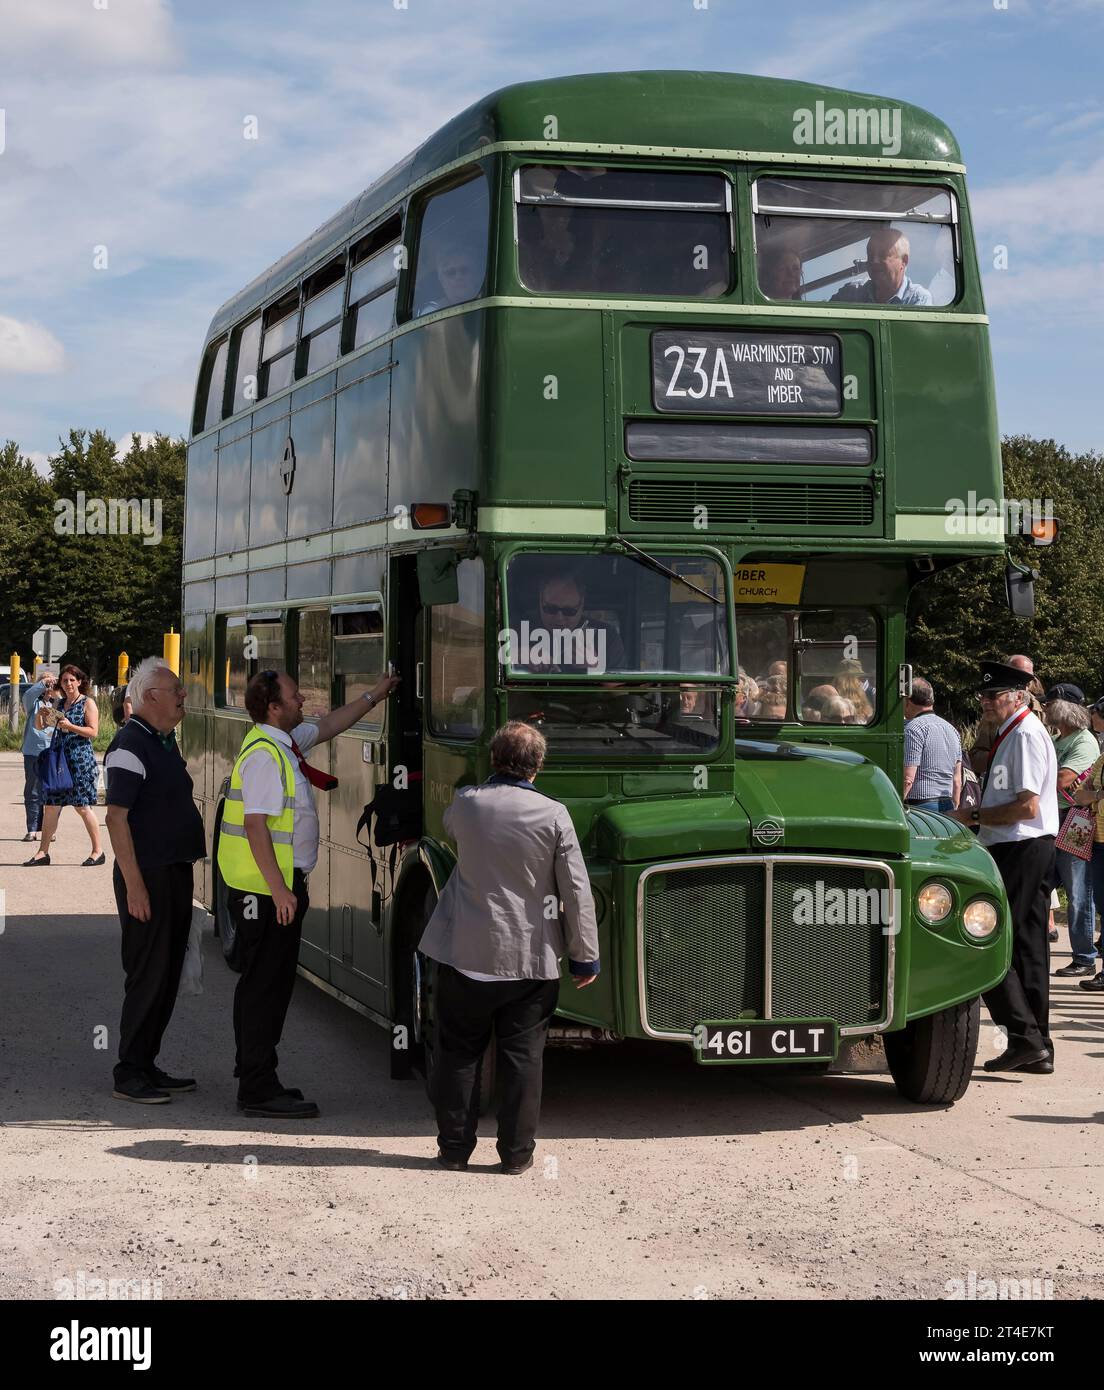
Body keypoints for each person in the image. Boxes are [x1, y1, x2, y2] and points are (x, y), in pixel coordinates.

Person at [217, 666, 399, 1118]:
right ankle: (256, 1088)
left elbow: (333, 722)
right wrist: (281, 891)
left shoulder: (285, 743)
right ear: (274, 707)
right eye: (295, 697)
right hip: (266, 892)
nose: (305, 702)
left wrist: (375, 694)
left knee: (269, 985)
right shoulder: (264, 755)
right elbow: (255, 825)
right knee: (265, 987)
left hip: (273, 888)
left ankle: (259, 1076)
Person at [419, 721, 599, 1174]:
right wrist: (584, 954)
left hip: (466, 955)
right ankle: (516, 1156)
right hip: (529, 959)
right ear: (537, 767)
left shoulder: (466, 804)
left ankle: (454, 1150)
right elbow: (575, 890)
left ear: (494, 759)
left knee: (458, 1053)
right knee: (524, 1060)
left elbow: (450, 830)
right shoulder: (554, 815)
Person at [103, 659, 206, 1104]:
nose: (183, 697)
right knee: (148, 974)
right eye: (176, 691)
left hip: (173, 871)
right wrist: (136, 886)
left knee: (167, 974)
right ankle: (129, 1071)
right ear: (150, 698)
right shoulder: (129, 745)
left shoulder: (162, 741)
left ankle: (147, 1063)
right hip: (147, 876)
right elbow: (116, 819)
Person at [951, 660, 1057, 1073]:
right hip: (1022, 845)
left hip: (1019, 845)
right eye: (984, 695)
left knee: (990, 940)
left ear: (1017, 696)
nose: (985, 701)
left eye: (993, 695)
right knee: (1028, 946)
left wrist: (973, 818)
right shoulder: (1013, 732)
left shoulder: (1025, 735)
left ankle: (1026, 1037)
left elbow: (1025, 807)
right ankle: (1035, 1042)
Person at [23, 663, 103, 867]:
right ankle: (43, 852)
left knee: (82, 806)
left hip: (80, 760)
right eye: (65, 680)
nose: (68, 684)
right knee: (50, 806)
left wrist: (71, 726)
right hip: (59, 761)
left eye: (71, 680)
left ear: (80, 682)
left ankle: (97, 851)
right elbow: (41, 727)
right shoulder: (59, 705)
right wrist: (40, 717)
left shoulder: (87, 703)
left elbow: (93, 732)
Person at [1042, 692, 1098, 977]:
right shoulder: (1058, 739)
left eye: (1050, 703)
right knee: (1042, 887)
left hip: (1075, 819)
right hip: (1055, 818)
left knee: (1078, 892)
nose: (1045, 708)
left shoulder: (1083, 741)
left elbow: (1062, 779)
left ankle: (1085, 957)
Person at [521, 570, 626, 675]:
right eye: (550, 608)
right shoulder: (518, 630)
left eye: (569, 611)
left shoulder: (606, 637)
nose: (559, 618)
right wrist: (518, 654)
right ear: (540, 600)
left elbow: (620, 689)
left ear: (581, 605)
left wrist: (596, 668)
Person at [902, 677, 962, 813]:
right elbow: (957, 780)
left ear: (907, 701)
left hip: (921, 807)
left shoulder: (913, 729)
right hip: (948, 805)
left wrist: (895, 806)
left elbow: (907, 779)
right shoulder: (952, 730)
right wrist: (955, 808)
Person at [831, 226, 934, 306]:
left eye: (883, 255)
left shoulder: (918, 299)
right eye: (871, 255)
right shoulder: (851, 293)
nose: (874, 261)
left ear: (904, 261)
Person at [20, 670, 57, 842]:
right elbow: (28, 694)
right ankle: (32, 829)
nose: (48, 687)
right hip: (32, 752)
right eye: (45, 684)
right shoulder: (32, 704)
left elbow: (58, 722)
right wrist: (43, 683)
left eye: (51, 683)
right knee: (33, 792)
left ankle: (49, 829)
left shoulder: (56, 704)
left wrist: (54, 694)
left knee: (51, 792)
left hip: (52, 752)